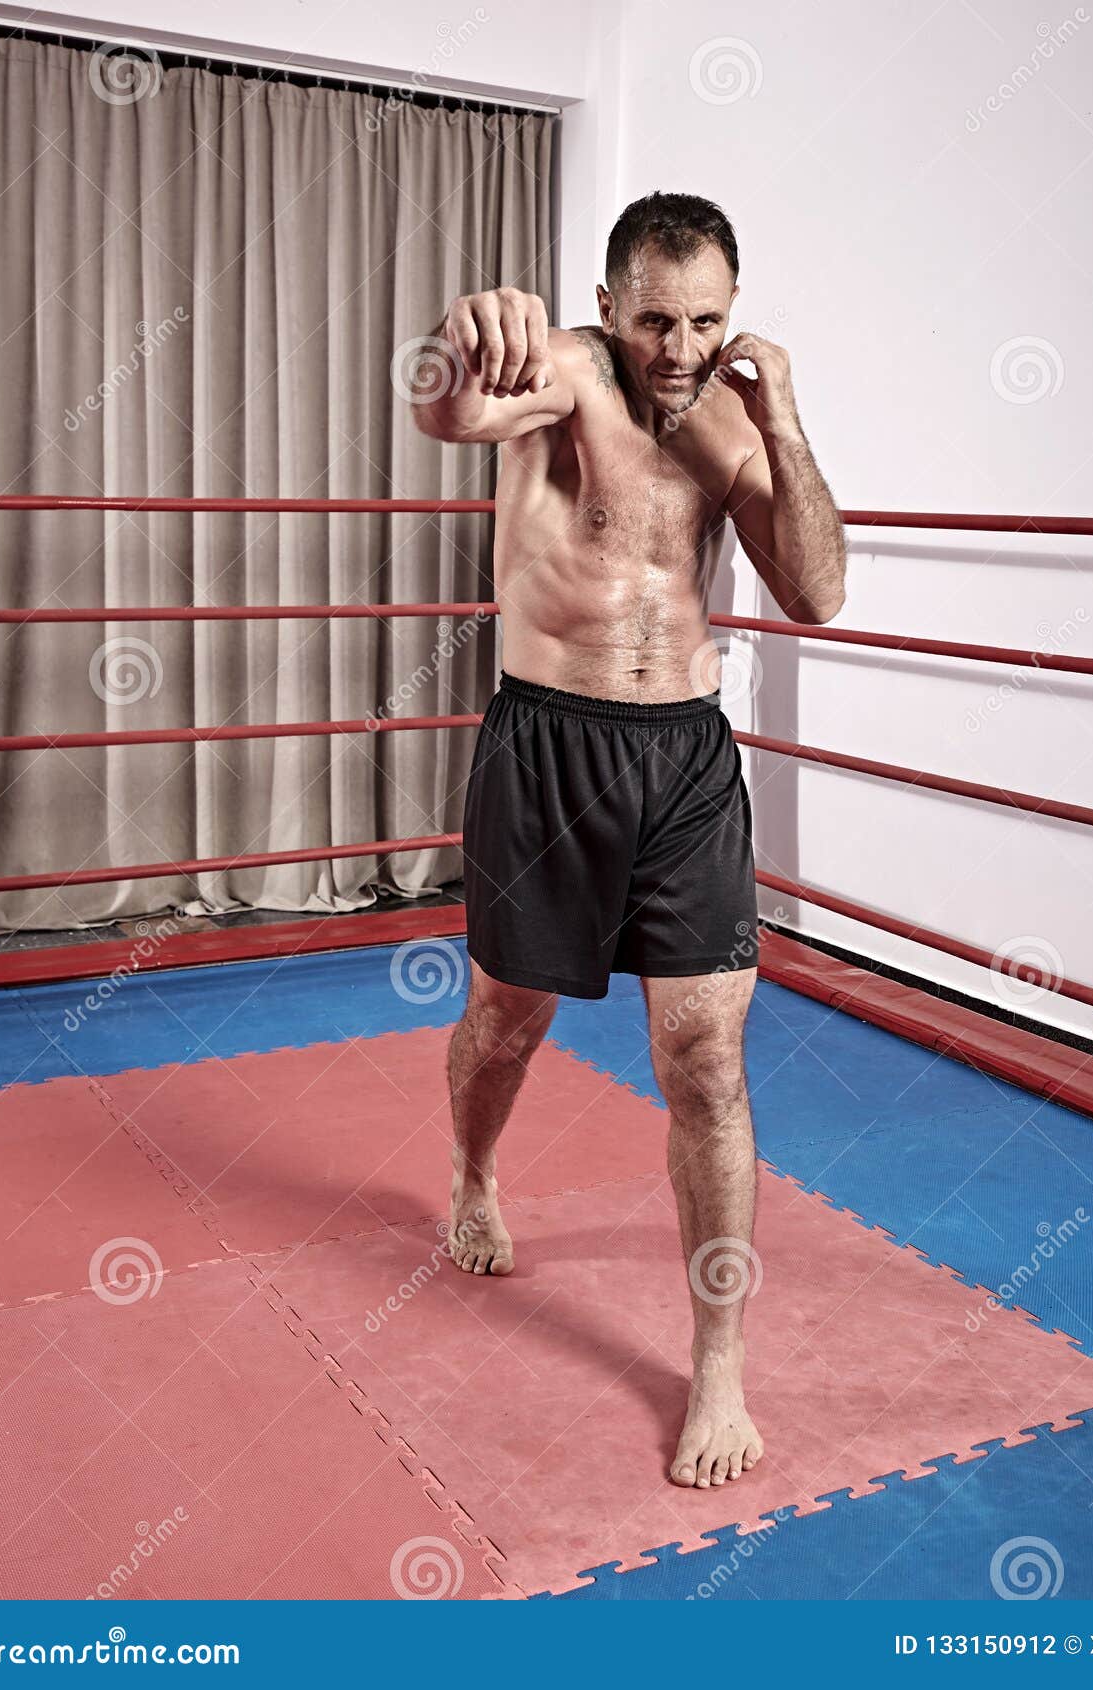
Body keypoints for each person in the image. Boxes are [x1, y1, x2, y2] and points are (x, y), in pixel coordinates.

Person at [409, 191, 846, 1490]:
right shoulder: (562, 369)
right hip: (547, 745)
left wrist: (781, 417)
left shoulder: (727, 412)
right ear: (609, 306)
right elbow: (448, 407)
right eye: (654, 319)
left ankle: (716, 1364)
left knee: (704, 1059)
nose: (678, 347)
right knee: (509, 1015)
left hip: (685, 763)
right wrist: (452, 342)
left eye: (705, 319)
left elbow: (817, 589)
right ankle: (474, 1174)